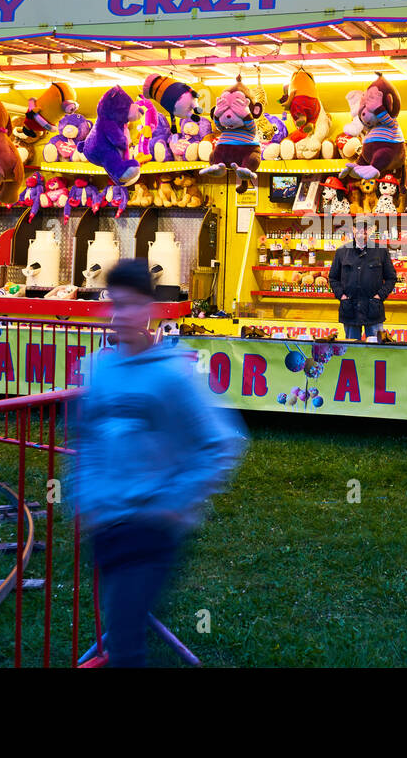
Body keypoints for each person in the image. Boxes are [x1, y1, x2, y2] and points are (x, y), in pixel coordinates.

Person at [73, 258, 247, 667]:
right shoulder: (99, 370)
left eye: (131, 305)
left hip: (152, 528)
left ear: (150, 309)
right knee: (122, 625)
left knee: (127, 636)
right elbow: (88, 441)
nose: (119, 315)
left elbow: (220, 443)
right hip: (108, 523)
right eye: (113, 303)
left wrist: (174, 502)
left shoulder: (172, 375)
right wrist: (87, 498)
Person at [327, 218, 397, 341]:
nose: (362, 231)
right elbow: (333, 278)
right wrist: (342, 296)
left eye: (365, 228)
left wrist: (379, 296)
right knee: (352, 350)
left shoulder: (381, 252)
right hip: (350, 309)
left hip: (373, 310)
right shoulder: (342, 252)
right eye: (358, 227)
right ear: (353, 229)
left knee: (375, 350)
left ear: (370, 230)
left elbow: (391, 278)